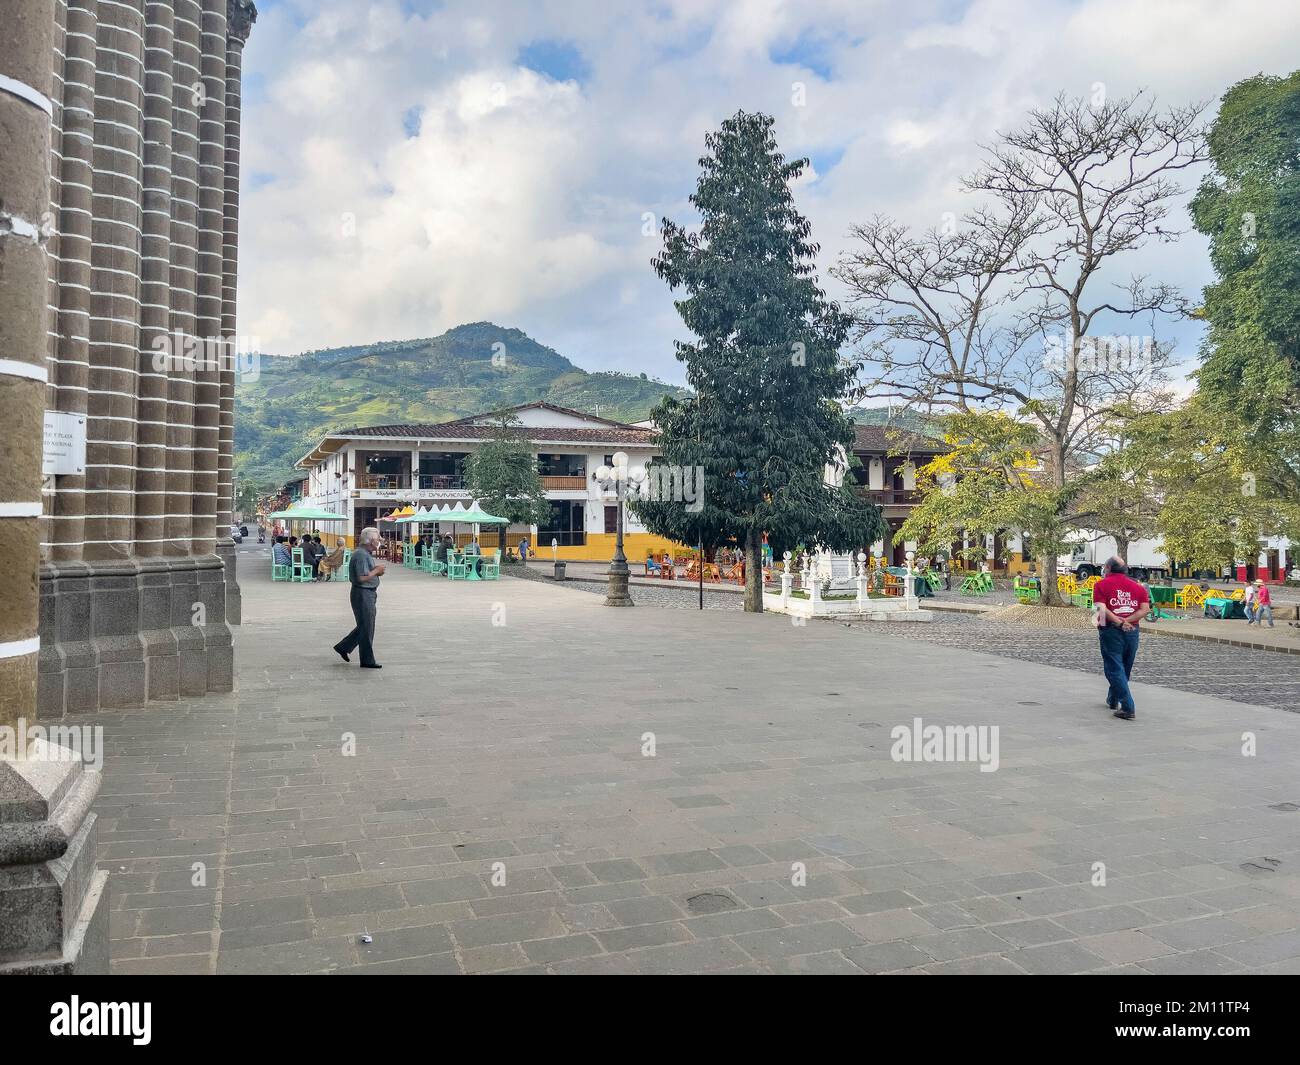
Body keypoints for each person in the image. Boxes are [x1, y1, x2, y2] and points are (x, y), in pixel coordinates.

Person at [1093, 557, 1149, 721]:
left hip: (1111, 630)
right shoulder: (1137, 587)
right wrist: (1128, 621)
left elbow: (1101, 609)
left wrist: (1119, 622)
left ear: (1108, 568)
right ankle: (1113, 699)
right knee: (1124, 667)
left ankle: (1127, 707)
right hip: (1132, 631)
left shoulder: (1100, 585)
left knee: (1114, 668)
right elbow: (1145, 609)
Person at [333, 527, 385, 669]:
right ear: (371, 541)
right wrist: (376, 571)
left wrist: (375, 573)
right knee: (367, 627)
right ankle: (367, 659)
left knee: (365, 626)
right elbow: (361, 577)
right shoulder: (361, 555)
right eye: (377, 539)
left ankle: (343, 647)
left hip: (366, 592)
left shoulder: (364, 553)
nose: (379, 541)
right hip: (363, 593)